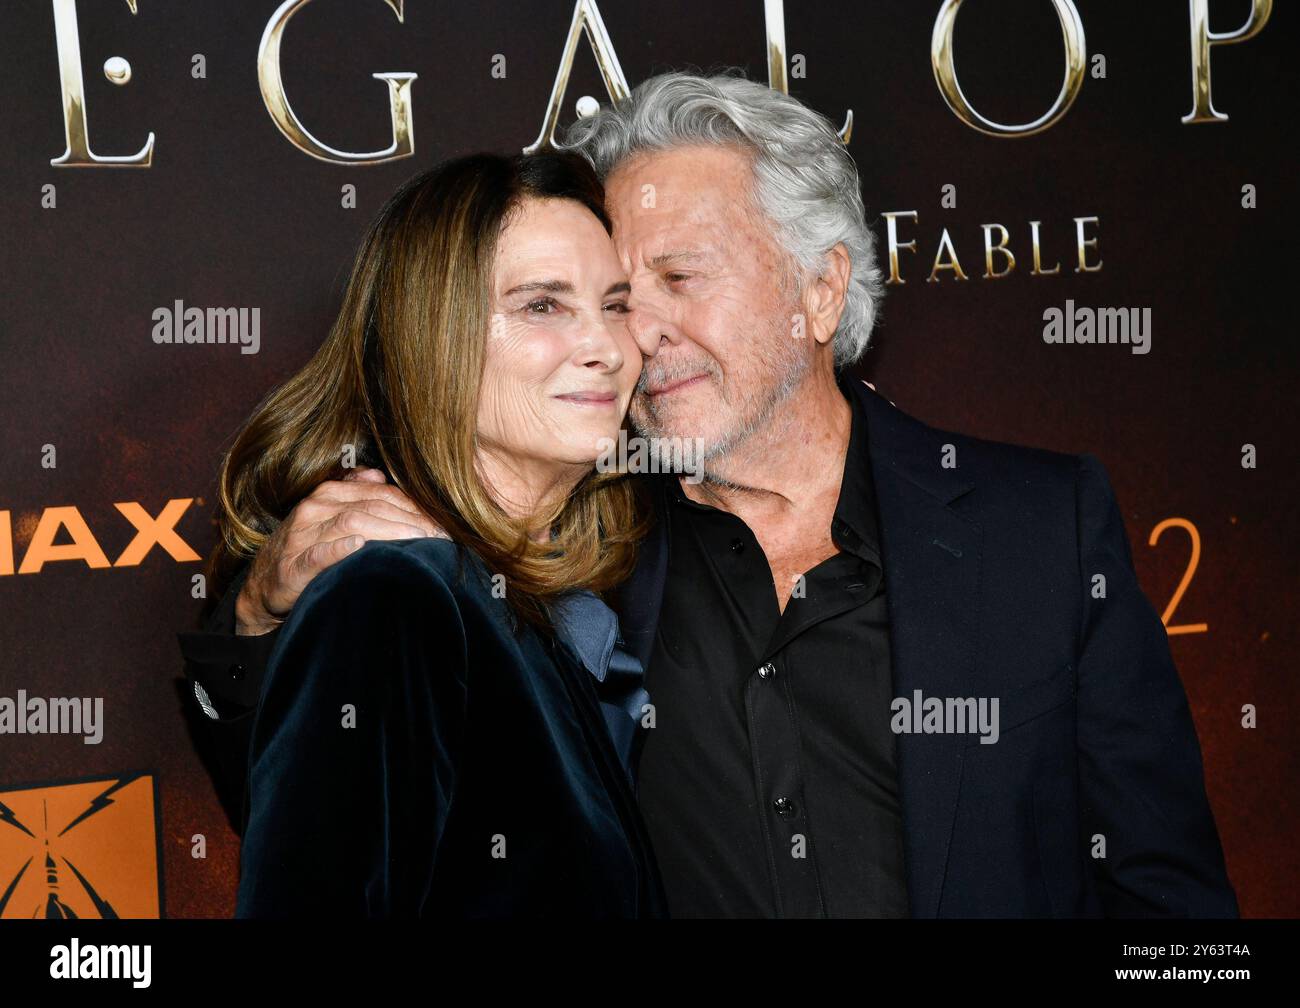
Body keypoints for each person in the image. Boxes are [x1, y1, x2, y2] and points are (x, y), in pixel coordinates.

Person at [181, 71, 1238, 918]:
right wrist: (264, 608)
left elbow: (1165, 900)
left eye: (677, 280)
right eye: (617, 297)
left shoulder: (1038, 528)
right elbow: (331, 805)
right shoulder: (558, 546)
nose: (634, 337)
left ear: (821, 290)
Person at [189, 150, 667, 917]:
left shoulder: (524, 592)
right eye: (543, 305)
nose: (607, 348)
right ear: (432, 336)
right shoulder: (395, 595)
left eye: (614, 305)